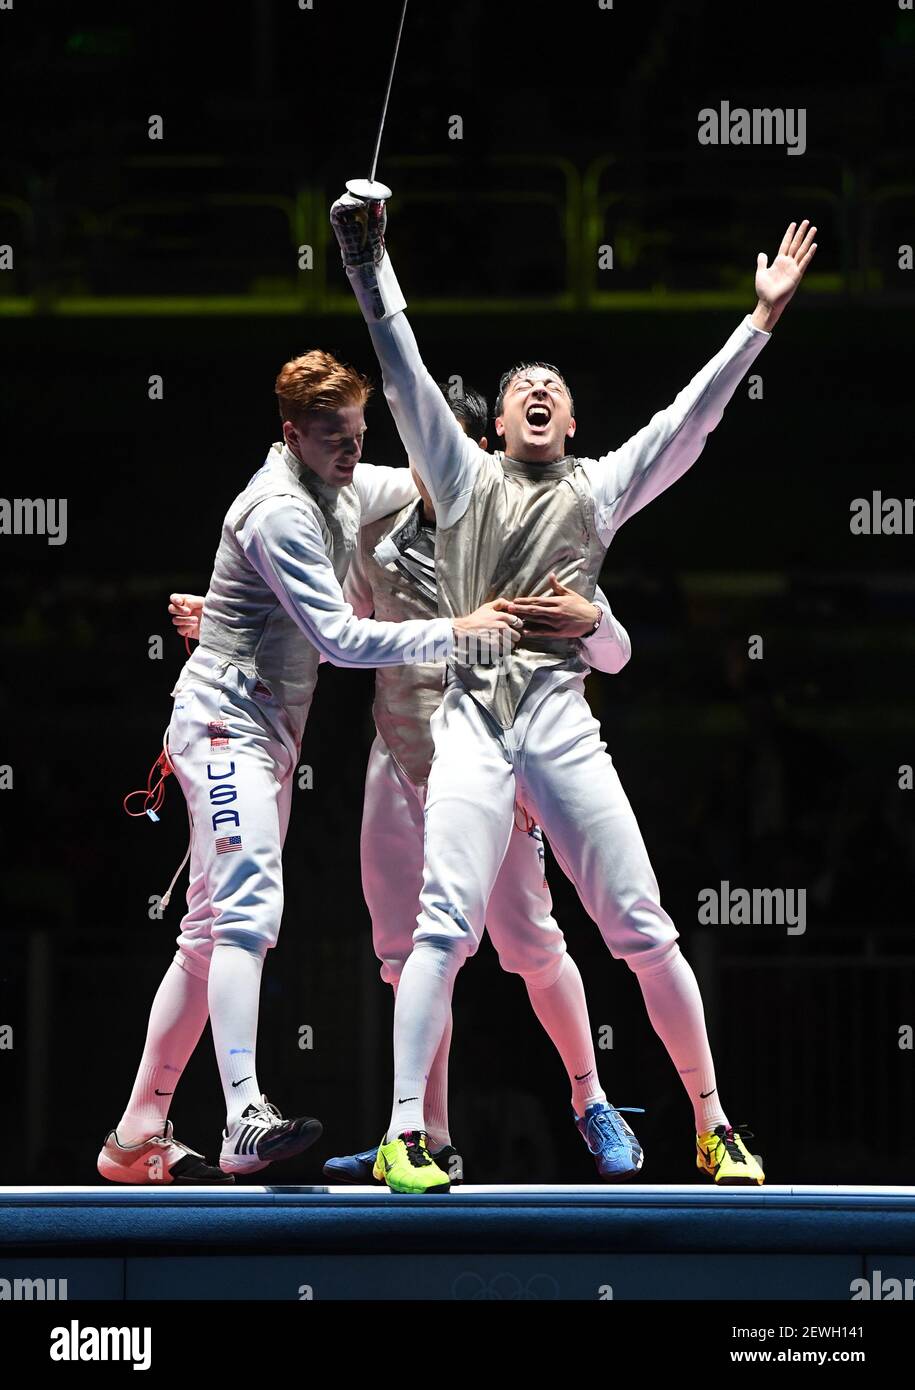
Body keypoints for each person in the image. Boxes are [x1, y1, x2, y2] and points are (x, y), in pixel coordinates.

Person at [331, 187, 816, 1191]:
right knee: (440, 929)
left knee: (642, 927)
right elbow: (402, 368)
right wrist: (365, 259)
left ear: (573, 418)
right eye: (522, 387)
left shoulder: (597, 487)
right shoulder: (461, 477)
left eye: (552, 384)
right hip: (470, 727)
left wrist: (760, 320)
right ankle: (404, 1133)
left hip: (559, 729)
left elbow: (689, 421)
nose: (538, 391)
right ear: (501, 421)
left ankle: (713, 1124)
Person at [98, 349, 518, 1184]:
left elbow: (434, 474)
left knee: (206, 930)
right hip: (224, 724)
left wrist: (525, 477)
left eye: (359, 435)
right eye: (335, 439)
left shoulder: (344, 479)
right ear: (292, 435)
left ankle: (138, 1131)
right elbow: (341, 639)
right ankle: (242, 1117)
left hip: (265, 732)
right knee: (247, 908)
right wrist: (457, 630)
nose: (353, 451)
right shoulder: (278, 511)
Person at [324, 383, 640, 1190]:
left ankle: (591, 1100)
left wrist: (593, 633)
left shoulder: (521, 532)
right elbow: (336, 633)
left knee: (530, 946)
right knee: (406, 956)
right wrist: (227, 619)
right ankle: (421, 1135)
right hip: (400, 761)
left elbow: (604, 649)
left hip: (490, 767)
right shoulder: (377, 540)